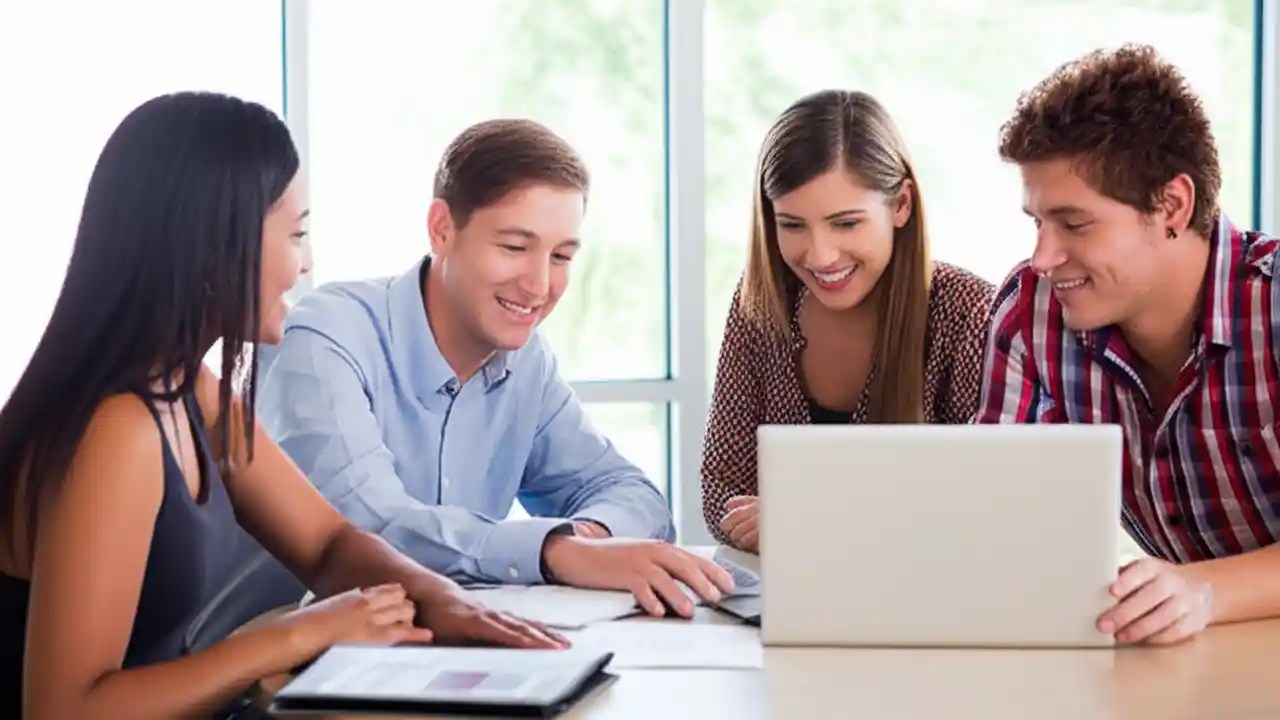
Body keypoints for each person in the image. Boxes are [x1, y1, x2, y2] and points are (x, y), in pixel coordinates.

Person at [0, 93, 564, 719]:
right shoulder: (118, 429)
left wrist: (449, 603)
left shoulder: (192, 390)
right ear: (216, 244)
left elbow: (325, 542)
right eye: (296, 234)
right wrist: (300, 634)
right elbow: (64, 710)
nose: (306, 264)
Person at [250, 118, 734, 621]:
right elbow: (366, 530)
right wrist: (556, 553)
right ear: (441, 229)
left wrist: (589, 541)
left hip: (445, 649)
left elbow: (634, 498)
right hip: (296, 661)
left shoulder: (525, 362)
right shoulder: (328, 332)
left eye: (562, 255)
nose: (540, 285)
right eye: (514, 248)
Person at [977, 44, 1280, 645]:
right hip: (1196, 660)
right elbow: (993, 513)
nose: (1043, 257)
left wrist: (1205, 591)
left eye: (1075, 223)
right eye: (1037, 222)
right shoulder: (1031, 312)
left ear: (1171, 206)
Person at [701, 90, 995, 552]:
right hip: (786, 599)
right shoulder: (760, 304)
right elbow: (722, 491)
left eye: (845, 224)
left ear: (901, 205)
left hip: (927, 606)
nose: (819, 256)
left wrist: (810, 519)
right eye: (793, 225)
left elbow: (989, 500)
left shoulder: (968, 311)